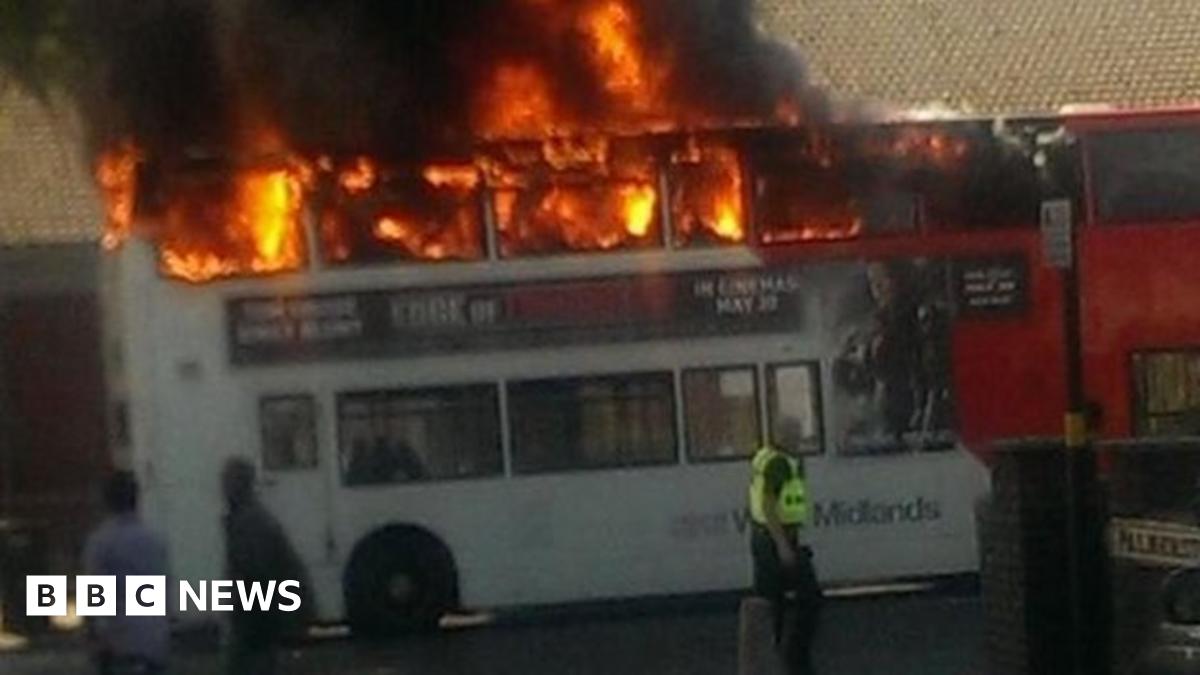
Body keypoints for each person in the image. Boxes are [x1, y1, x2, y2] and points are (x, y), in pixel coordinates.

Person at [221, 458, 309, 675]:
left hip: (257, 621)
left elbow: (256, 574)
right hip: (263, 619)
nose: (222, 489)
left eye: (226, 482)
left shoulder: (248, 522)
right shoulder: (255, 518)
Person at [748, 420, 822, 675]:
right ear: (786, 437)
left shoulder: (765, 457)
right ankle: (794, 661)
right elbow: (769, 504)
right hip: (776, 539)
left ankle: (774, 662)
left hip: (769, 538)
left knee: (772, 605)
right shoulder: (779, 462)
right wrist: (783, 546)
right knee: (808, 599)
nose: (800, 440)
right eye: (797, 435)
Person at [83, 471, 170, 675]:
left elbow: (96, 597)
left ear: (106, 502)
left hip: (119, 644)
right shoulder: (156, 540)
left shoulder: (101, 542)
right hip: (154, 641)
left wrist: (92, 636)